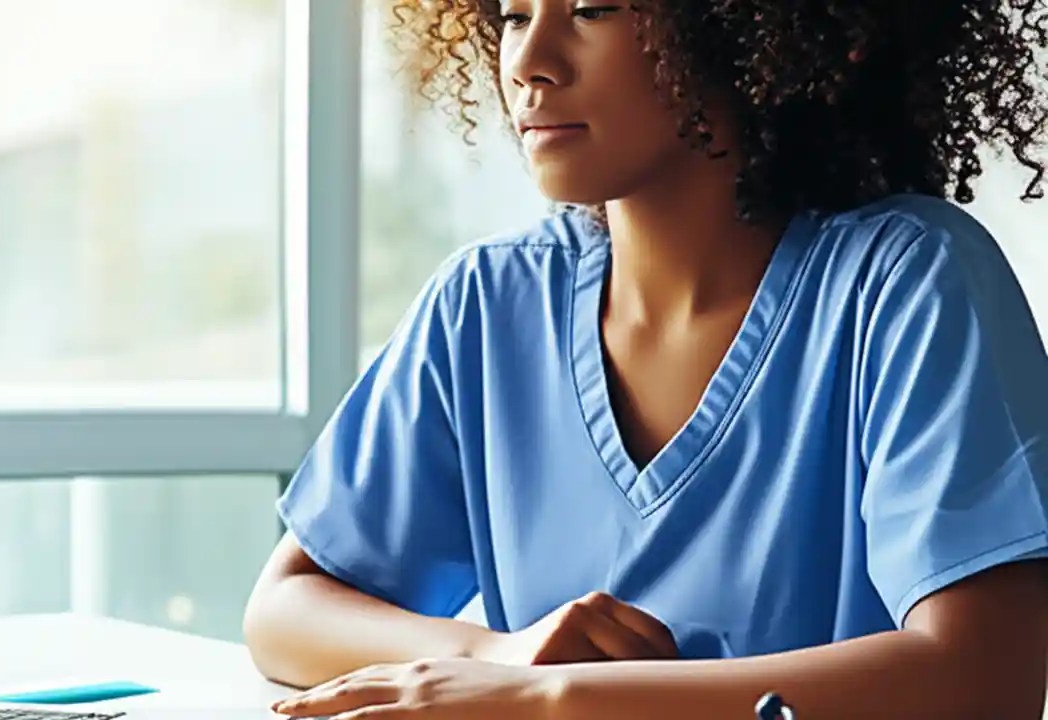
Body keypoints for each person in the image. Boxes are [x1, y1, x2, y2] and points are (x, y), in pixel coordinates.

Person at [243, 0, 1048, 717]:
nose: (529, 64)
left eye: (592, 10)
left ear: (741, 29)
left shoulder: (907, 282)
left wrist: (557, 698)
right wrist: (495, 656)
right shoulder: (487, 302)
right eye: (515, 15)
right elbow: (285, 610)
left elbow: (986, 676)